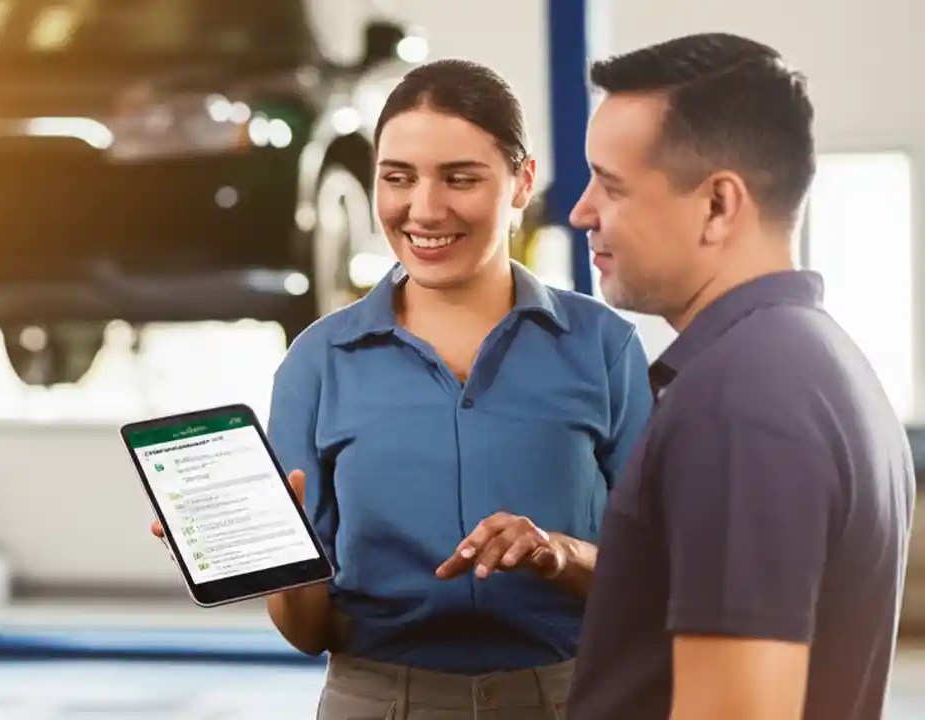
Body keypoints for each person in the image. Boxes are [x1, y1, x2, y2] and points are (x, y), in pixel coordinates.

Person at [155, 59, 652, 717]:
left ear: (521, 181)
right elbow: (309, 633)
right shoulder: (318, 363)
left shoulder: (601, 348)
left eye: (461, 178)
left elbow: (657, 582)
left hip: (567, 698)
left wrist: (559, 554)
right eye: (397, 178)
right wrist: (277, 561)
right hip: (378, 701)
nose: (424, 209)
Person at [565, 33, 915, 720]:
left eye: (610, 185)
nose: (582, 211)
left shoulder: (740, 399)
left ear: (719, 205)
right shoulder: (816, 360)